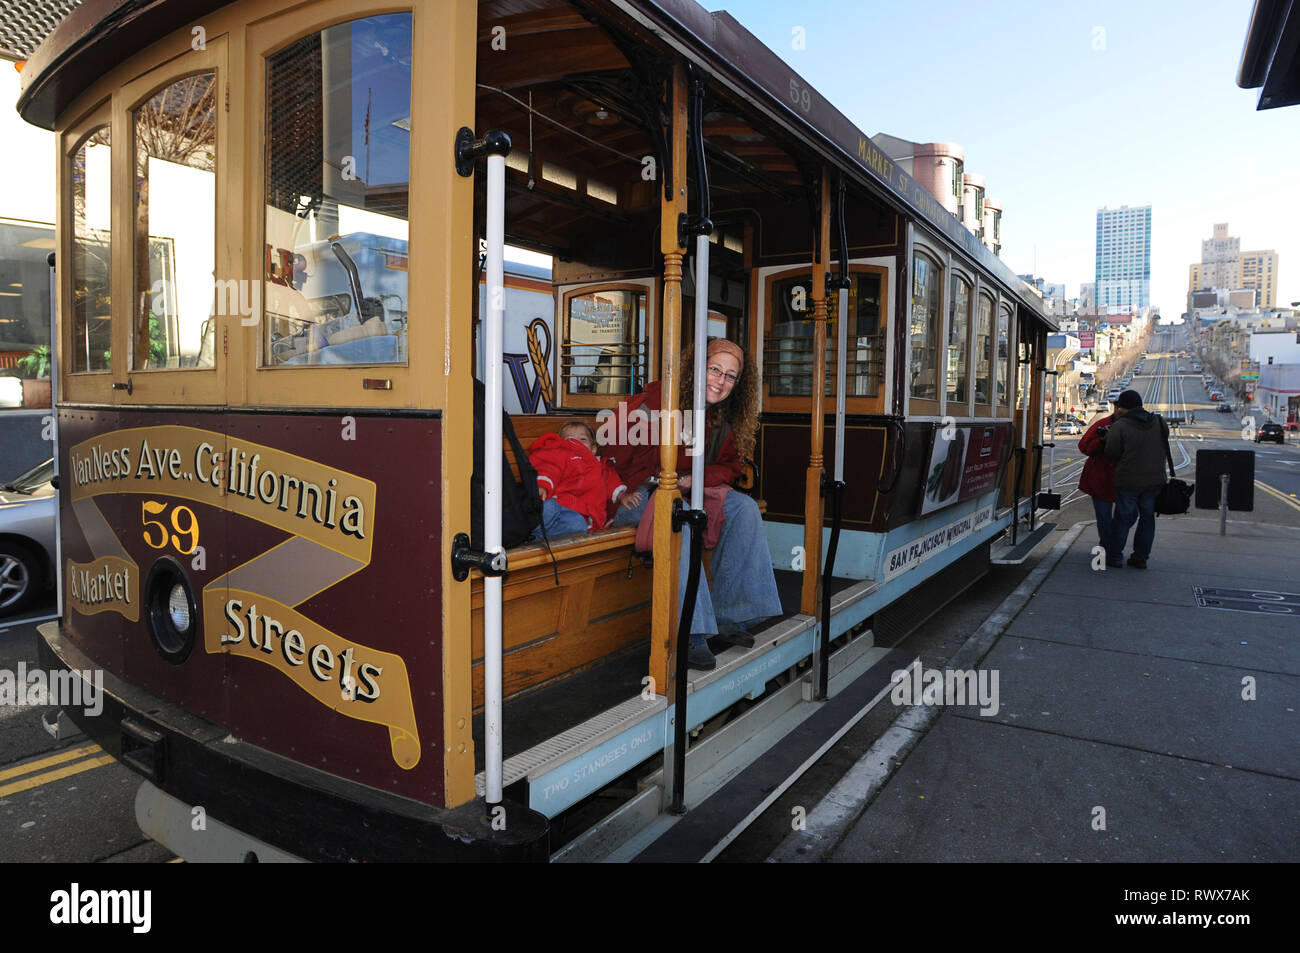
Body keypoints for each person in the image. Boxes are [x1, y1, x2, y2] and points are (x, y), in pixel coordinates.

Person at [603, 338, 782, 670]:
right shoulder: (656, 401)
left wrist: (692, 480)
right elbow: (613, 454)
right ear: (696, 368)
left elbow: (730, 467)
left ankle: (730, 614)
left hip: (682, 490)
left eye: (730, 376)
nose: (721, 381)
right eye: (715, 369)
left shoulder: (721, 417)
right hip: (637, 496)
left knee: (744, 510)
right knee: (679, 516)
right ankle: (690, 631)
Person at [1104, 389, 1169, 569]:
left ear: (1123, 408)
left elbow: (1112, 453)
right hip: (1154, 481)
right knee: (1147, 518)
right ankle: (1140, 557)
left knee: (1123, 518)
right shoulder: (1159, 422)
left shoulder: (1120, 427)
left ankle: (1115, 556)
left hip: (1128, 481)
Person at [527, 420, 626, 539]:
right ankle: (530, 532)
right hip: (559, 505)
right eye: (569, 439)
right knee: (547, 507)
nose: (575, 443)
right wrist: (542, 485)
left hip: (580, 517)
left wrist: (623, 496)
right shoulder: (560, 454)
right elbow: (549, 467)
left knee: (578, 524)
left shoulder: (601, 467)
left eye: (582, 439)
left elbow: (613, 485)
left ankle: (534, 537)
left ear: (593, 448)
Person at [1077, 399, 1117, 558]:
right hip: (1101, 479)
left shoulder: (1138, 426)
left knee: (1127, 516)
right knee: (1104, 517)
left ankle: (1113, 548)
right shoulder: (1102, 424)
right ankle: (1108, 548)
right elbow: (1084, 447)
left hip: (1127, 479)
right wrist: (1102, 440)